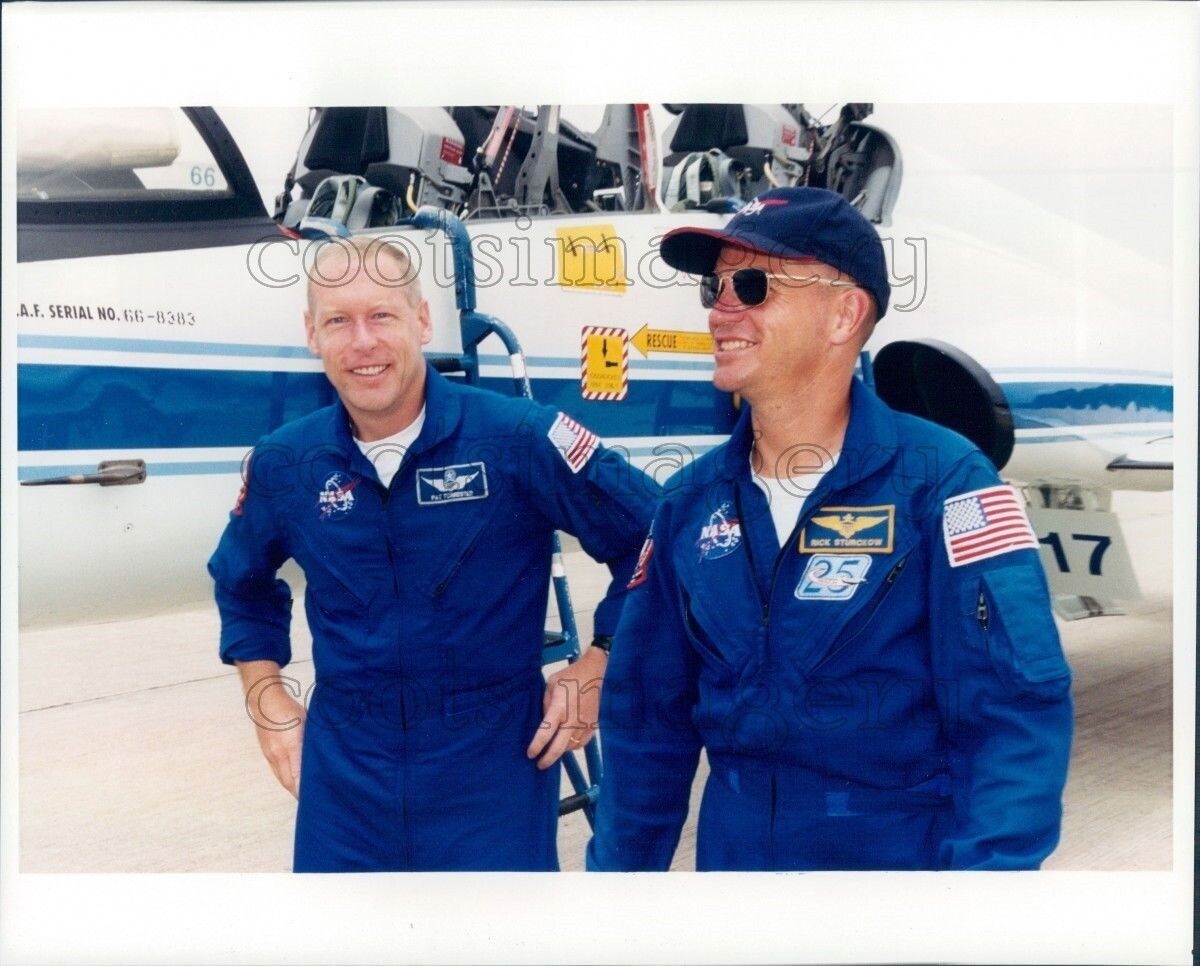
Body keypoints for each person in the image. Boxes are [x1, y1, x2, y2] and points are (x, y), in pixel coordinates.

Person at [587, 186, 1073, 871]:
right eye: (714, 287)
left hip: (895, 886)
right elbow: (645, 727)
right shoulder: (688, 505)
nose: (722, 310)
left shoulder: (946, 483)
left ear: (844, 314)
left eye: (752, 285)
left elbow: (1015, 716)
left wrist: (980, 908)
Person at [209, 234, 658, 871]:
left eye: (382, 316)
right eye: (338, 321)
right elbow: (241, 582)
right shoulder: (286, 463)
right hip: (346, 782)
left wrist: (601, 661)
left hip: (492, 769)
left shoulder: (517, 439)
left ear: (422, 321)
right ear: (312, 334)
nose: (362, 342)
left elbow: (658, 535)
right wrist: (269, 702)